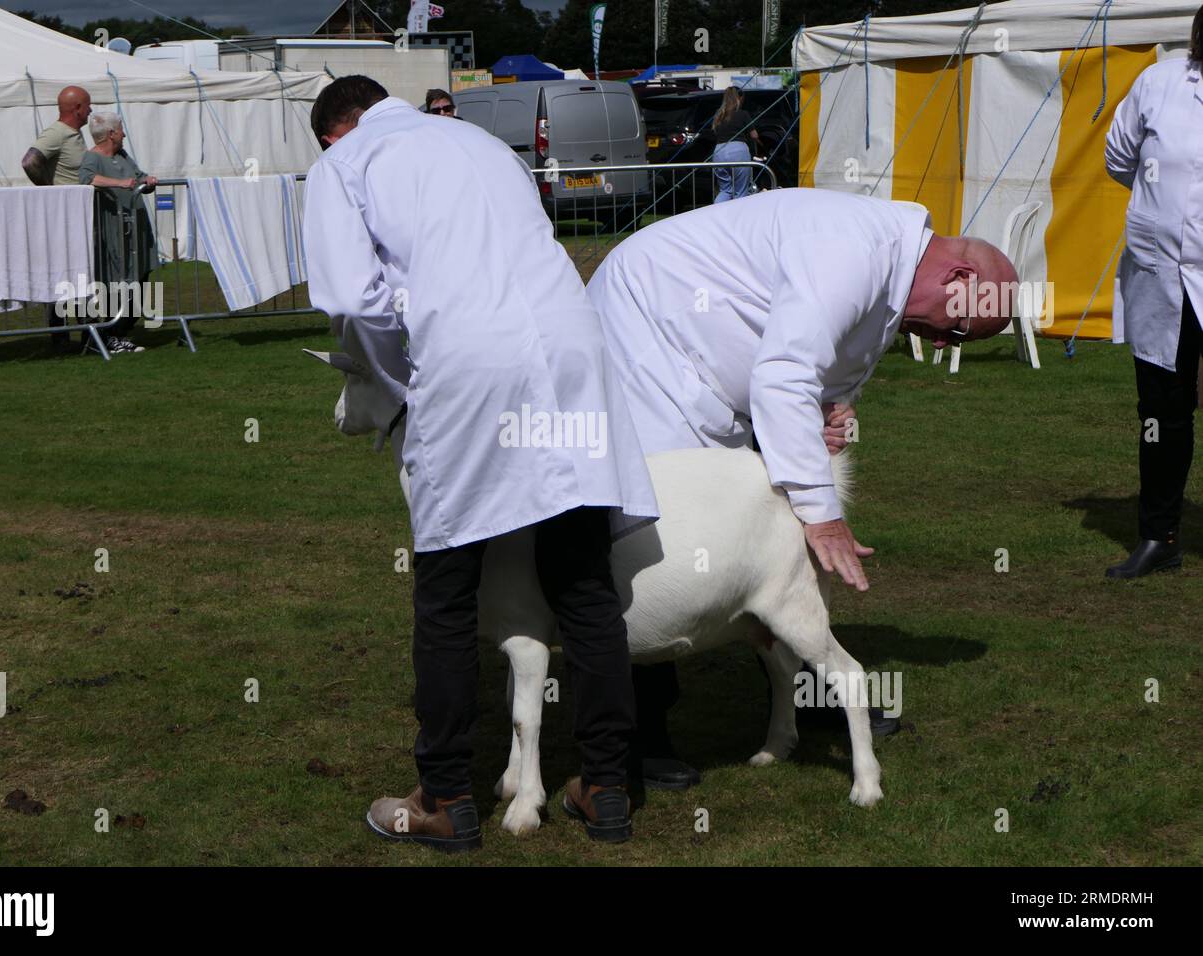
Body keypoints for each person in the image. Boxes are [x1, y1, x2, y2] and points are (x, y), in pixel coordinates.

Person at [303, 76, 659, 850]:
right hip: (571, 341)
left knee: (447, 587)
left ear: (336, 130)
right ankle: (605, 786)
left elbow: (352, 300)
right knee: (583, 582)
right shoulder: (482, 141)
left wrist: (403, 376)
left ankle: (444, 794)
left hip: (470, 358)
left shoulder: (342, 165)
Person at [586, 188, 1018, 788]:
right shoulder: (855, 249)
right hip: (644, 331)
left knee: (763, 538)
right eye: (963, 329)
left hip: (701, 364)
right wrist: (823, 513)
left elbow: (815, 371)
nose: (946, 344)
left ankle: (815, 694)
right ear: (962, 276)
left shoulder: (888, 266)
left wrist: (828, 414)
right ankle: (636, 740)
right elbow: (784, 375)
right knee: (659, 539)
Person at [1102, 8, 1203, 579]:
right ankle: (1159, 535)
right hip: (1163, 275)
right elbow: (1120, 157)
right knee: (1163, 411)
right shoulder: (1160, 82)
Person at [78, 112, 158, 355]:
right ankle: (112, 334)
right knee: (116, 281)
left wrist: (148, 180)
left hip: (136, 227)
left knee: (140, 277)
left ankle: (119, 331)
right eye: (121, 129)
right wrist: (119, 184)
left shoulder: (122, 155)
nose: (124, 133)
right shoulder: (92, 157)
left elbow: (137, 175)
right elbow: (87, 178)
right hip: (113, 228)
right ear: (111, 134)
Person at [22, 85, 92, 353]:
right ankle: (62, 336)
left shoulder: (73, 134)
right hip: (64, 217)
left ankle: (85, 331)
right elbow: (30, 162)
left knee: (80, 275)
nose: (91, 110)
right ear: (77, 108)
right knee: (64, 276)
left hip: (77, 216)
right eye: (88, 105)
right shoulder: (57, 133)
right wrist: (50, 191)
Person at [710, 87, 760, 203]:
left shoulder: (718, 115)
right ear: (739, 98)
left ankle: (716, 215)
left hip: (719, 152)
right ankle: (738, 219)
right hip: (738, 151)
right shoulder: (743, 114)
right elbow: (754, 135)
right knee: (740, 191)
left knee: (725, 190)